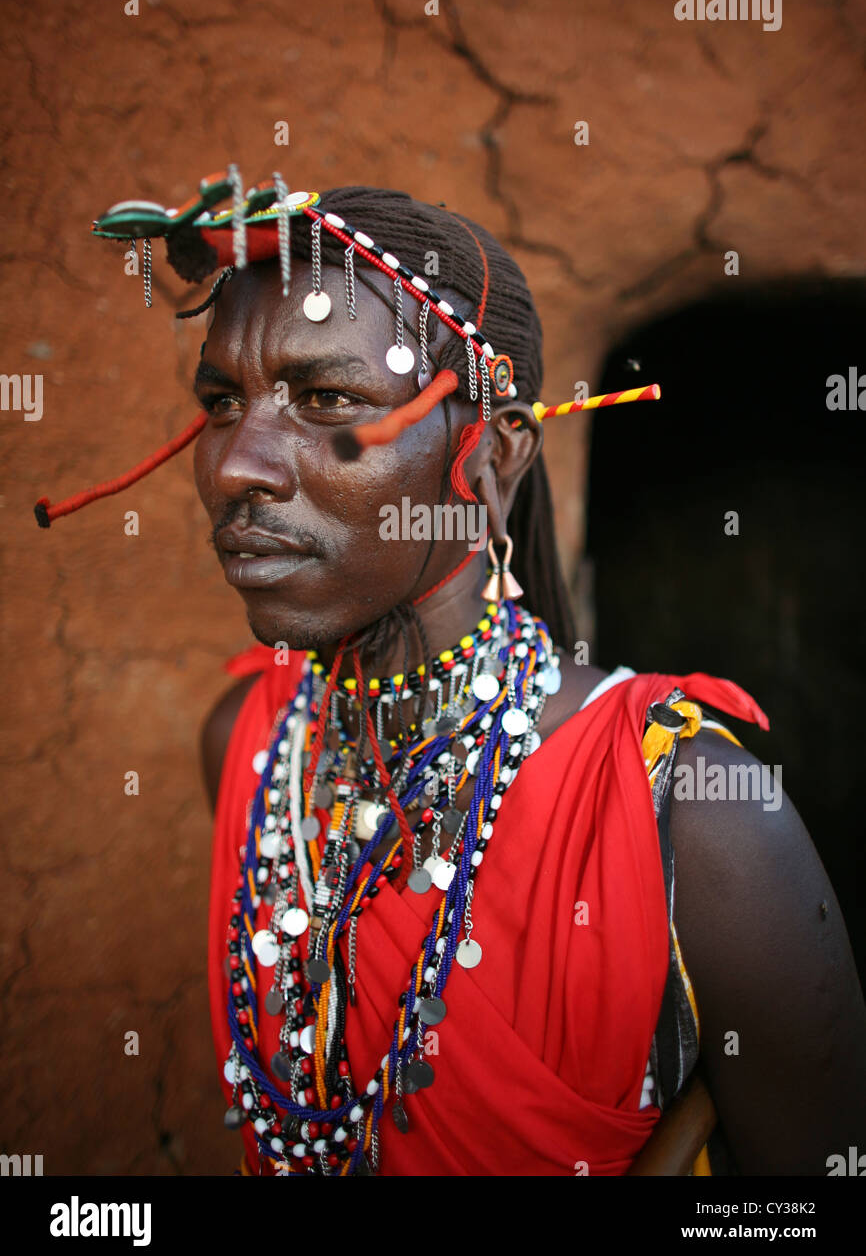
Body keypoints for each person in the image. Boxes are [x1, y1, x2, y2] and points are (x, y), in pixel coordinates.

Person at [38, 171, 866, 1177]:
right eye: (221, 401)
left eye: (325, 397)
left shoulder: (694, 816)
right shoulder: (250, 751)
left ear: (492, 455)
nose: (235, 466)